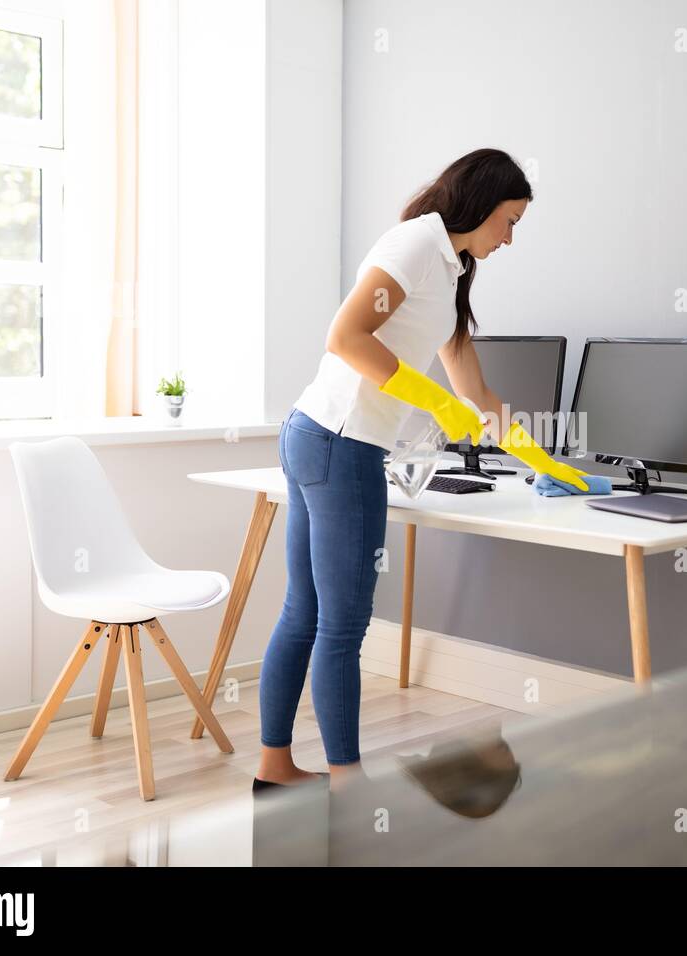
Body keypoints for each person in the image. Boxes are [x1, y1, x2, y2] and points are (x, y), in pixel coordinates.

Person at [254, 148, 592, 791]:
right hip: (340, 441)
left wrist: (548, 463)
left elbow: (478, 396)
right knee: (342, 622)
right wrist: (433, 400)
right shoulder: (414, 245)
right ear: (482, 203)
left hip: (319, 433)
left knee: (306, 610)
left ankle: (274, 767)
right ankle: (348, 782)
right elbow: (347, 337)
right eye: (510, 220)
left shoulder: (452, 265)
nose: (511, 237)